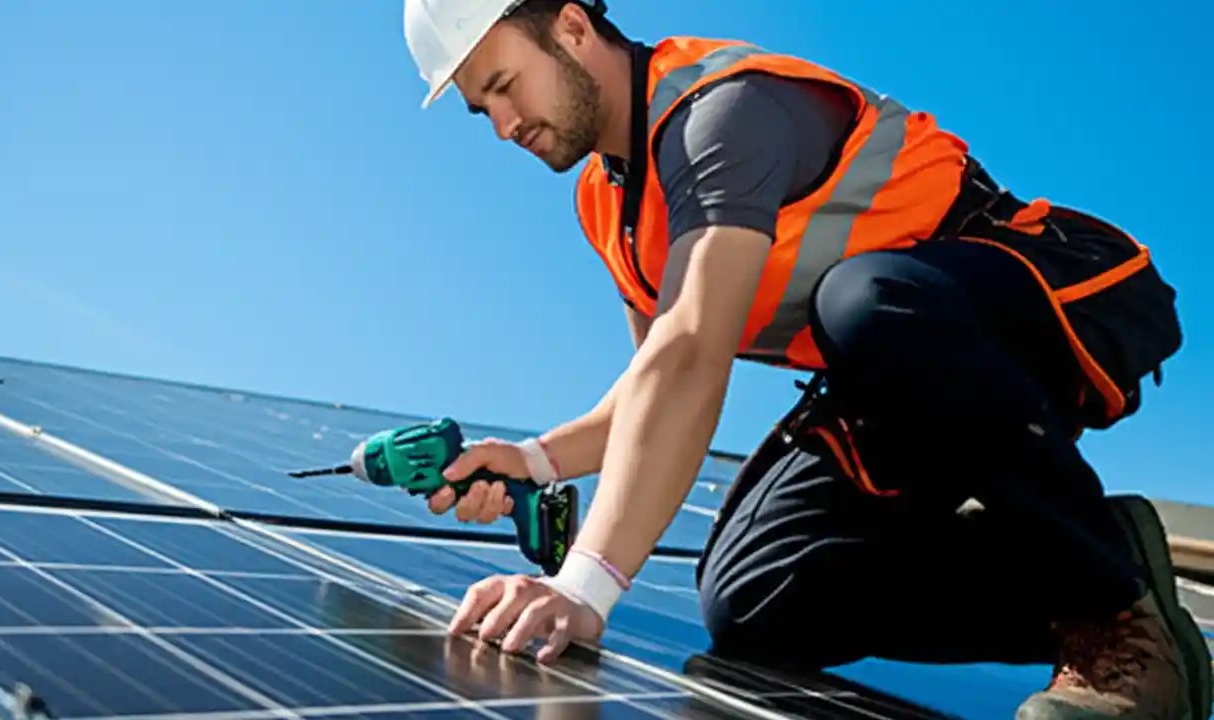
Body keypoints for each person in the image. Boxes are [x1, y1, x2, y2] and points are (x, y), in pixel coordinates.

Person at [400, 1, 1210, 718]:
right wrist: (535, 459)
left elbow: (690, 354)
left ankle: (1116, 626)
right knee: (753, 597)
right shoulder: (607, 204)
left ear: (572, 27)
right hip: (893, 368)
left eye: (505, 84)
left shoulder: (719, 114)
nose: (504, 126)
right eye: (483, 111)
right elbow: (650, 390)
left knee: (865, 300)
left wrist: (583, 588)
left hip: (1045, 294)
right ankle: (1104, 559)